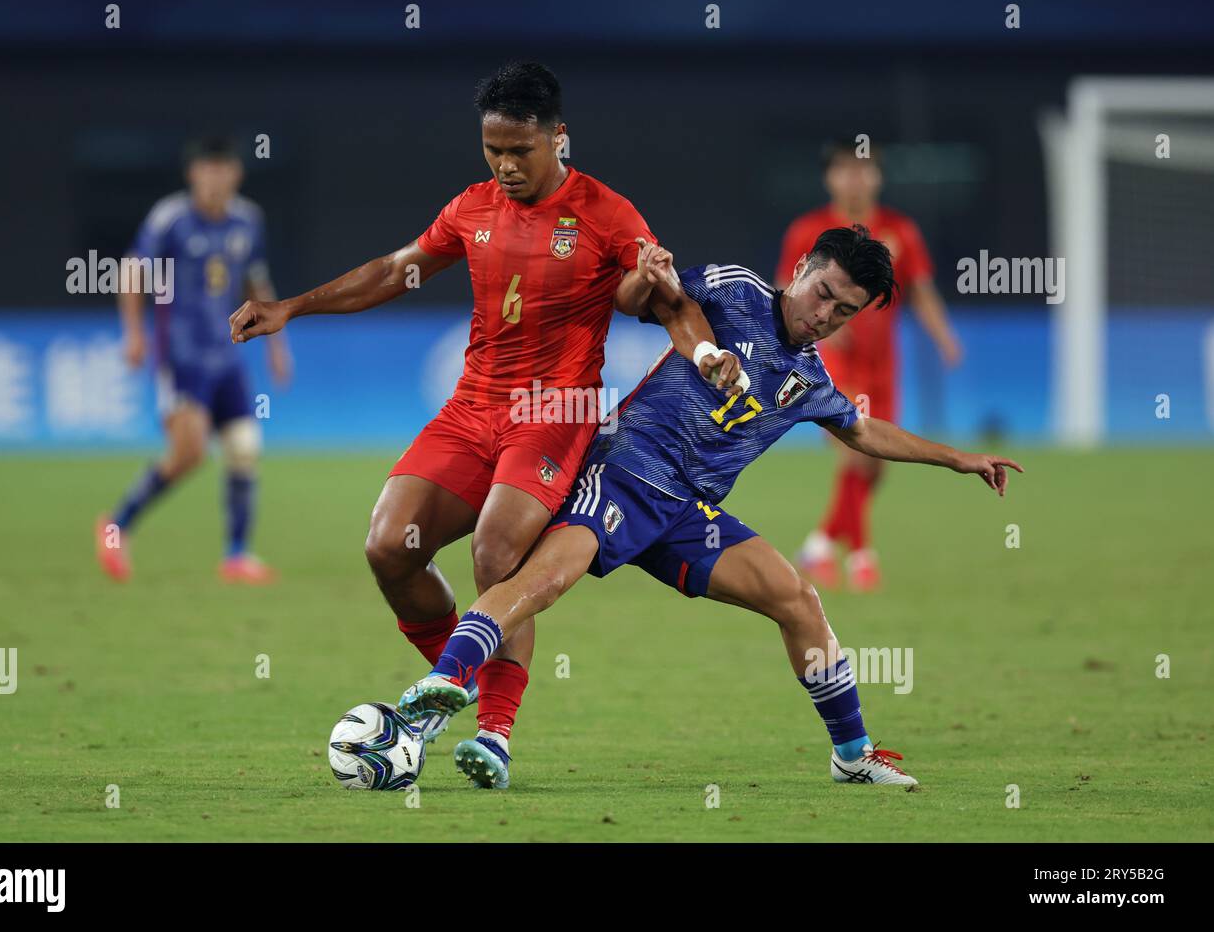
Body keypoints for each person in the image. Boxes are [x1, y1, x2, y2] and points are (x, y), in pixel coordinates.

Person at [226, 61, 741, 755]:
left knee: (496, 549)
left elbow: (669, 301)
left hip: (556, 411)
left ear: (558, 139)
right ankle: (455, 675)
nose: (504, 165)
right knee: (388, 545)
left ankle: (493, 735)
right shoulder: (471, 209)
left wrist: (708, 358)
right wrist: (293, 306)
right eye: (492, 149)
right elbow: (394, 268)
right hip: (472, 409)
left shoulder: (607, 214)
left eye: (519, 151)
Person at [399, 227, 1022, 789]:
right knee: (542, 581)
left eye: (843, 311)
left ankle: (852, 754)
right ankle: (448, 682)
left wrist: (957, 458)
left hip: (685, 514)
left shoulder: (808, 378)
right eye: (823, 293)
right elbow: (655, 301)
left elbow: (860, 431)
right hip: (623, 473)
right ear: (802, 266)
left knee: (797, 599)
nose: (824, 314)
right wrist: (649, 273)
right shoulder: (736, 291)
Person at [96, 135, 290, 583]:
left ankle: (237, 555)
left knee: (244, 448)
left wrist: (278, 345)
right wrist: (133, 334)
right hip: (181, 355)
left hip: (228, 354)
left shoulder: (247, 221)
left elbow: (256, 284)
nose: (216, 177)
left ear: (236, 174)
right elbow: (131, 269)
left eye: (224, 168)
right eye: (208, 168)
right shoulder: (172, 219)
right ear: (193, 174)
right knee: (189, 453)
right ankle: (116, 526)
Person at [777, 143, 962, 590]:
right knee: (856, 449)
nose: (855, 179)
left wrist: (944, 337)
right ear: (830, 178)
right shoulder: (809, 230)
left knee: (877, 460)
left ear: (878, 177)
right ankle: (861, 557)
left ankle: (820, 545)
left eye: (864, 170)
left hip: (884, 363)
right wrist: (817, 320)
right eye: (845, 171)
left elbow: (919, 289)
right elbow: (784, 285)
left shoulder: (900, 230)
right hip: (831, 357)